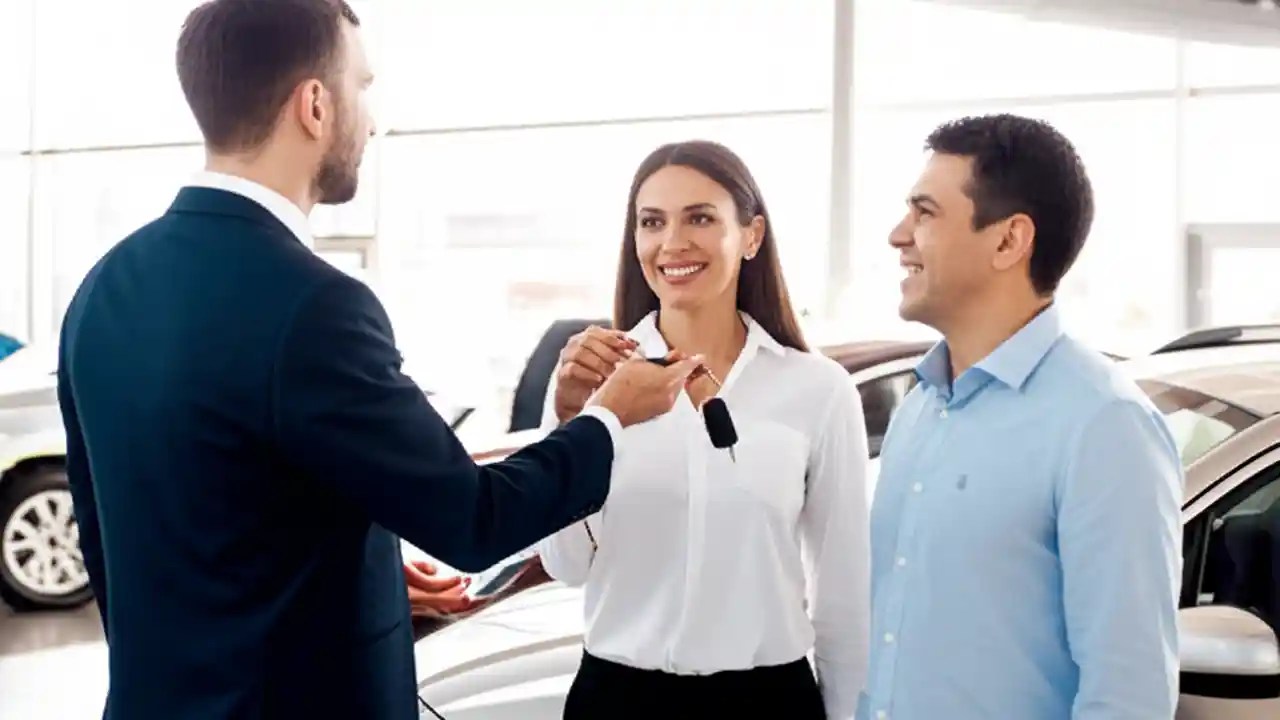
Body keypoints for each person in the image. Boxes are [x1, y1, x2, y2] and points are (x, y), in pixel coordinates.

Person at [54, 2, 703, 719]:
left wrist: (347, 566)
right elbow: (473, 519)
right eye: (363, 87)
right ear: (314, 104)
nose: (372, 120)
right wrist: (611, 417)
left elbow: (139, 532)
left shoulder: (103, 288)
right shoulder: (313, 305)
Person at [857, 114, 1183, 720]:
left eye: (925, 213)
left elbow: (1129, 696)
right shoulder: (921, 408)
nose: (898, 235)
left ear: (1009, 241)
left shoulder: (1105, 426)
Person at [539, 140, 871, 719]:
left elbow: (843, 597)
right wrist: (575, 424)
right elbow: (566, 566)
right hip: (618, 700)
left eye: (700, 217)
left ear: (751, 236)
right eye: (652, 222)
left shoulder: (818, 390)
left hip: (767, 702)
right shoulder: (588, 379)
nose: (673, 242)